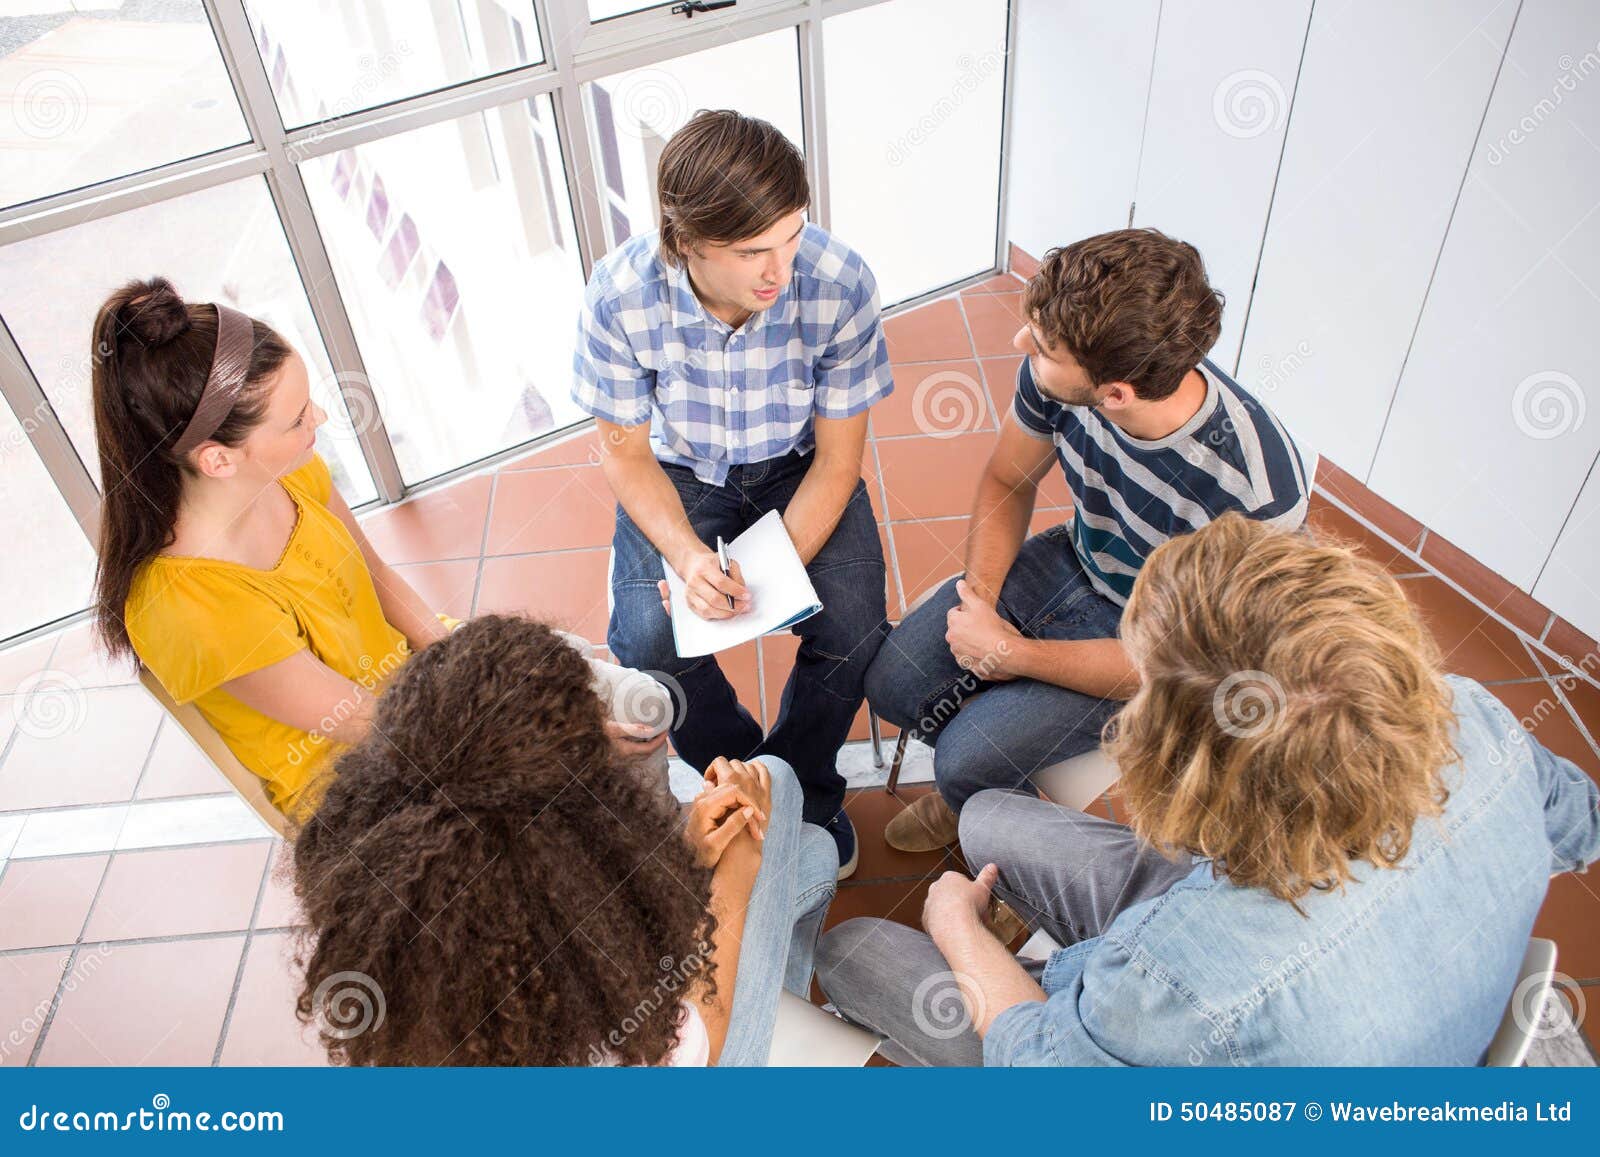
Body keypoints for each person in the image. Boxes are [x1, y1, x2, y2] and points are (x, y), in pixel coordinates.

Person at [817, 512, 1600, 1065]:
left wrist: (961, 933)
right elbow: (1580, 824)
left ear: (1199, 773)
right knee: (986, 816)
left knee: (851, 951)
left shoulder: (1185, 976)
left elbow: (1044, 1076)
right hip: (1283, 934)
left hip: (1190, 994)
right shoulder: (1472, 713)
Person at [91, 278, 670, 823]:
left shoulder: (290, 471)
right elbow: (367, 726)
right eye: (296, 420)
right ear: (218, 459)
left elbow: (378, 576)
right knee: (585, 771)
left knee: (626, 701)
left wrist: (472, 660)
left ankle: (665, 857)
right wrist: (546, 729)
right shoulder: (185, 607)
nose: (318, 419)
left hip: (417, 692)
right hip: (358, 775)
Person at [864, 228, 1311, 853]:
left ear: (1115, 395)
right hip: (1076, 562)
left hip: (1155, 643)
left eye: (1043, 345)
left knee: (966, 756)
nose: (1022, 343)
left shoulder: (1256, 494)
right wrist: (983, 607)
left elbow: (1182, 667)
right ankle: (986, 793)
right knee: (892, 683)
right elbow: (1006, 479)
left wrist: (1013, 655)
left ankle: (1002, 846)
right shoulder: (1061, 378)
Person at [573, 110, 895, 878]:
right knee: (648, 642)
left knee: (853, 628)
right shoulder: (620, 295)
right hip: (681, 474)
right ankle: (743, 773)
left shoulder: (840, 281)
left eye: (791, 236)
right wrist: (686, 558)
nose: (780, 270)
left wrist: (775, 564)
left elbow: (841, 461)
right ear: (686, 241)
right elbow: (625, 455)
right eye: (753, 251)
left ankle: (801, 790)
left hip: (801, 465)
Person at [293, 614, 838, 1067]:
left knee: (812, 857)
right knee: (780, 787)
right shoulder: (579, 1030)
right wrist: (738, 866)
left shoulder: (415, 910)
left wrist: (689, 856)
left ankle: (777, 995)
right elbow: (697, 1041)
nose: (607, 729)